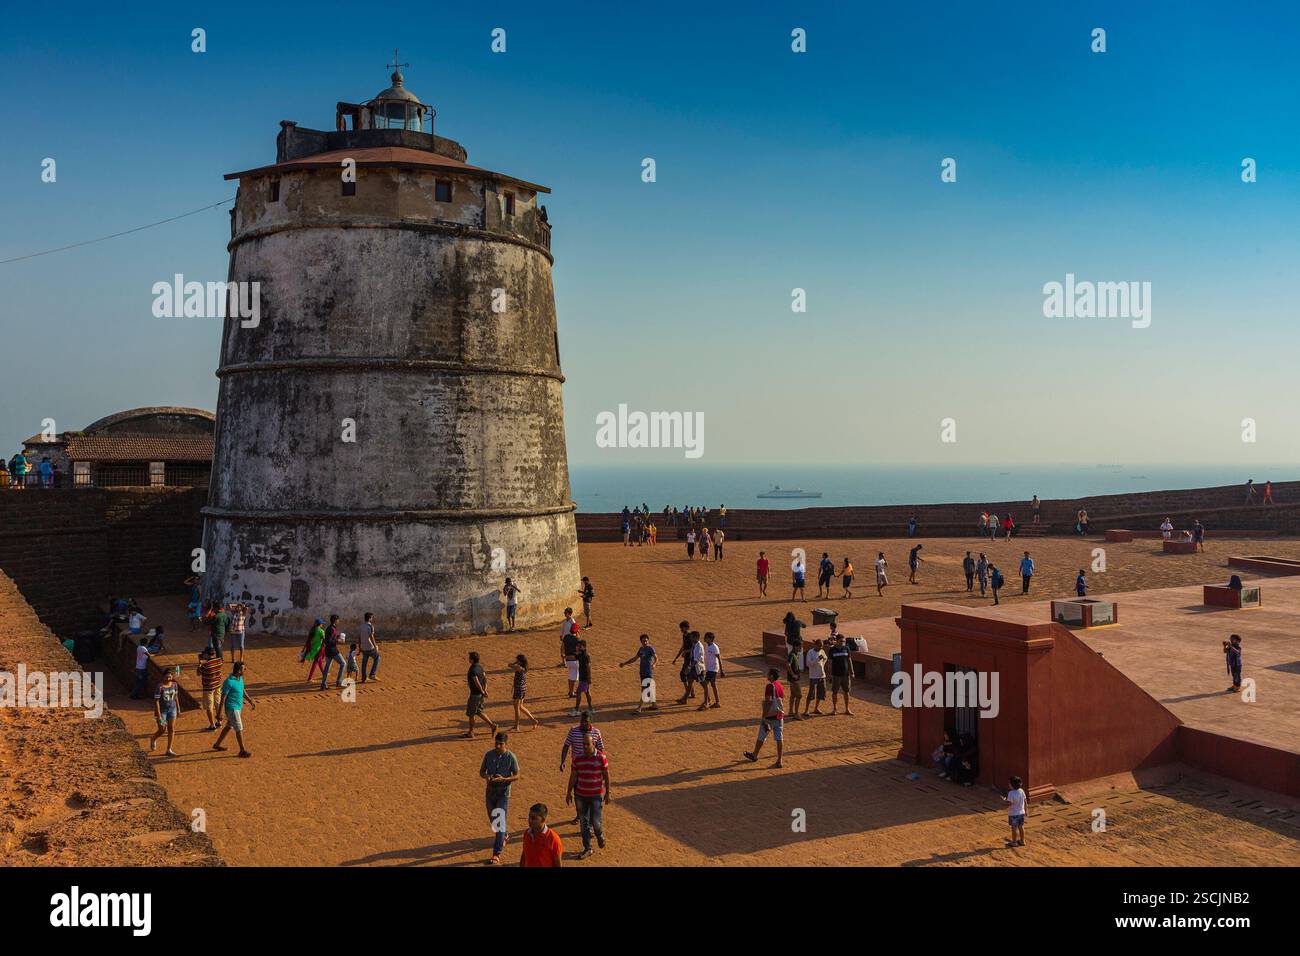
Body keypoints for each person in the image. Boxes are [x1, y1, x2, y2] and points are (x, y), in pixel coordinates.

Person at [566, 732, 611, 859]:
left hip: (596, 795)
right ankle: (588, 848)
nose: (585, 747)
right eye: (583, 744)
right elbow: (573, 776)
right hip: (580, 795)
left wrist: (608, 792)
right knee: (583, 823)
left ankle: (599, 835)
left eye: (587, 744)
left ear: (594, 744)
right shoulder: (578, 758)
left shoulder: (601, 757)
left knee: (596, 823)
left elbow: (606, 775)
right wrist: (568, 792)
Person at [480, 731, 520, 865]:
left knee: (499, 821)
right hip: (490, 792)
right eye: (496, 743)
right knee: (494, 820)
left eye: (500, 744)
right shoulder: (488, 755)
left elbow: (517, 775)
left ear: (506, 744)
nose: (497, 746)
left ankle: (496, 853)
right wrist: (487, 776)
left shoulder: (511, 757)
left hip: (503, 793)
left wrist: (505, 779)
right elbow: (481, 771)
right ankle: (505, 834)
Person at [743, 668, 785, 768]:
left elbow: (768, 702)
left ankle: (755, 754)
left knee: (762, 735)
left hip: (770, 716)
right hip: (779, 715)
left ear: (771, 676)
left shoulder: (770, 686)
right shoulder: (779, 685)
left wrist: (764, 716)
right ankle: (779, 760)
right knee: (779, 737)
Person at [213, 661, 255, 757]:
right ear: (239, 670)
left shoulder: (240, 679)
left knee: (229, 726)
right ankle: (242, 750)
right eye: (244, 668)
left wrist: (249, 699)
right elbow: (223, 697)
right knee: (239, 729)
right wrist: (219, 713)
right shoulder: (229, 682)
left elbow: (242, 690)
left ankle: (217, 744)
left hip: (238, 707)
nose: (245, 670)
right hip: (232, 709)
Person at [619, 634, 658, 714]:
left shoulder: (651, 649)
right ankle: (654, 705)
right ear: (641, 642)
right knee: (648, 689)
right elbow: (634, 658)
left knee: (644, 690)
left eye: (646, 640)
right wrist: (625, 663)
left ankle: (639, 708)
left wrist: (654, 664)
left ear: (648, 640)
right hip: (642, 672)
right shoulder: (641, 649)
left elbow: (656, 658)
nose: (645, 642)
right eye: (643, 641)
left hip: (648, 672)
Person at [463, 651, 498, 738]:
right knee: (479, 711)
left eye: (469, 658)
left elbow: (477, 682)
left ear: (472, 660)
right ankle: (492, 725)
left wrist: (482, 691)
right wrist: (485, 690)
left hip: (475, 695)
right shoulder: (480, 667)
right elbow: (485, 679)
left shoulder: (472, 670)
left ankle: (471, 732)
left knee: (471, 714)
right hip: (480, 695)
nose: (468, 659)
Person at [149, 667, 182, 756]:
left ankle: (169, 749)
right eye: (166, 677)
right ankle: (153, 738)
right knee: (162, 729)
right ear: (163, 677)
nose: (168, 679)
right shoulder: (159, 687)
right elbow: (156, 701)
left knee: (171, 728)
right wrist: (158, 715)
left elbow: (176, 697)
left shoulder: (174, 685)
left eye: (170, 677)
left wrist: (178, 708)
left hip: (172, 710)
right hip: (162, 712)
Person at [560, 711, 604, 778]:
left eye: (586, 721)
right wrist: (562, 762)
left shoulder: (596, 732)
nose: (583, 723)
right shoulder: (573, 731)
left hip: (591, 765)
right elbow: (566, 746)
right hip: (577, 765)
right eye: (582, 721)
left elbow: (600, 750)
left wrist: (600, 764)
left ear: (590, 722)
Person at [519, 803, 563, 867]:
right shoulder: (527, 833)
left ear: (543, 819)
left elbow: (558, 863)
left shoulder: (553, 838)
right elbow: (524, 854)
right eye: (529, 817)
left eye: (533, 818)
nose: (529, 820)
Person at [508, 654, 541, 730]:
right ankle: (533, 720)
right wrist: (517, 661)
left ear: (520, 661)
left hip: (519, 689)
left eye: (517, 660)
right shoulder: (524, 668)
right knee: (521, 707)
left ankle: (517, 726)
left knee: (516, 708)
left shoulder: (519, 667)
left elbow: (509, 665)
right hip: (522, 689)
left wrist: (514, 662)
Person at [197, 644, 225, 731]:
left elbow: (198, 673)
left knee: (209, 707)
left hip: (208, 688)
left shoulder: (206, 665)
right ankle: (219, 722)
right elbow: (214, 662)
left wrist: (200, 663)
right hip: (217, 685)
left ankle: (212, 726)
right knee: (218, 704)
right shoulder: (220, 661)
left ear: (207, 654)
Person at [827, 633, 854, 716]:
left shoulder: (846, 648)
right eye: (841, 641)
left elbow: (849, 660)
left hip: (845, 675)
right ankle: (835, 708)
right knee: (835, 692)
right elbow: (830, 663)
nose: (843, 642)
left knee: (846, 692)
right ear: (837, 641)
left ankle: (847, 708)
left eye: (844, 641)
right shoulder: (832, 650)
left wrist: (852, 672)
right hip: (836, 675)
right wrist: (830, 674)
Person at [672, 620, 697, 703]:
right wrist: (676, 657)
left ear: (686, 628)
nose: (681, 630)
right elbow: (683, 647)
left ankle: (687, 693)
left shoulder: (690, 636)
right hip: (686, 659)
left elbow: (694, 648)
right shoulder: (684, 635)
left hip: (690, 659)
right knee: (688, 676)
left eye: (682, 628)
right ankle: (691, 693)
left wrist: (686, 651)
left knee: (683, 674)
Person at [318, 616, 346, 690]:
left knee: (327, 667)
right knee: (343, 663)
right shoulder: (332, 629)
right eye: (338, 620)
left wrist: (337, 637)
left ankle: (323, 684)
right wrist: (338, 641)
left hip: (328, 650)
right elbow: (328, 641)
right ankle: (339, 682)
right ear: (335, 621)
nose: (338, 621)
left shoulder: (329, 628)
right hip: (332, 650)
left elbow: (328, 639)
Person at [699, 631, 724, 710]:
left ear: (710, 639)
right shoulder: (707, 645)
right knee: (713, 685)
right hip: (709, 668)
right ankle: (717, 702)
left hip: (713, 669)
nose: (704, 638)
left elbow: (719, 658)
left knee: (705, 684)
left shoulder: (714, 647)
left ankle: (706, 702)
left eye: (706, 637)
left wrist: (722, 670)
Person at [803, 639, 827, 716]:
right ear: (815, 645)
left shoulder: (822, 651)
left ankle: (816, 708)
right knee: (811, 693)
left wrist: (822, 663)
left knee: (820, 692)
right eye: (819, 646)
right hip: (813, 675)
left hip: (821, 675)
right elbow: (808, 664)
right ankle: (806, 710)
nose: (820, 648)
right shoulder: (810, 652)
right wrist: (817, 659)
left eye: (821, 646)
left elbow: (825, 658)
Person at [560, 608, 580, 697]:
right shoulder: (576, 639)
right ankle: (572, 692)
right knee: (574, 677)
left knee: (570, 675)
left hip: (568, 658)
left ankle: (571, 691)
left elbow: (563, 648)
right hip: (574, 659)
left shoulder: (572, 621)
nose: (565, 614)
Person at [1003, 775, 1027, 847]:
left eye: (1009, 783)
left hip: (1013, 814)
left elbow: (1009, 804)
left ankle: (1014, 842)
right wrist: (1026, 810)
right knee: (1021, 827)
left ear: (1012, 785)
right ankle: (1022, 841)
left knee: (1014, 828)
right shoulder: (1021, 791)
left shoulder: (1011, 793)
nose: (1008, 784)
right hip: (1021, 813)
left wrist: (1005, 800)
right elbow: (1025, 801)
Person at [573, 639, 594, 716]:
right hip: (583, 677)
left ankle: (576, 709)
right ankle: (591, 709)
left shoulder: (586, 656)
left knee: (578, 693)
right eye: (577, 646)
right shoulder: (581, 654)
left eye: (579, 646)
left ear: (584, 647)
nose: (577, 647)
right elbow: (574, 656)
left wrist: (589, 678)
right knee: (587, 692)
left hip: (585, 677)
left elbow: (589, 667)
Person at [358, 612, 380, 683]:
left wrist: (360, 647)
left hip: (363, 647)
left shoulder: (361, 626)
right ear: (369, 618)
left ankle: (364, 678)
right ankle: (372, 674)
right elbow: (371, 637)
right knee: (377, 657)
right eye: (372, 618)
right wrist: (375, 646)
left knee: (364, 662)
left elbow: (359, 637)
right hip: (369, 647)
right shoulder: (370, 626)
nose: (372, 619)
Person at [784, 637, 803, 720]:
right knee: (799, 695)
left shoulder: (794, 654)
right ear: (795, 646)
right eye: (800, 647)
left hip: (793, 678)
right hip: (794, 679)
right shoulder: (792, 654)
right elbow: (787, 665)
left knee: (793, 695)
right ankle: (796, 713)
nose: (801, 648)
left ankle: (791, 711)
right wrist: (793, 674)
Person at [303, 618, 326, 683]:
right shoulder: (321, 631)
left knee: (320, 661)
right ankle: (310, 678)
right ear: (320, 624)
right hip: (319, 648)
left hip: (314, 648)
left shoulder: (312, 630)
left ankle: (324, 673)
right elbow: (324, 640)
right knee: (316, 662)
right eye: (322, 624)